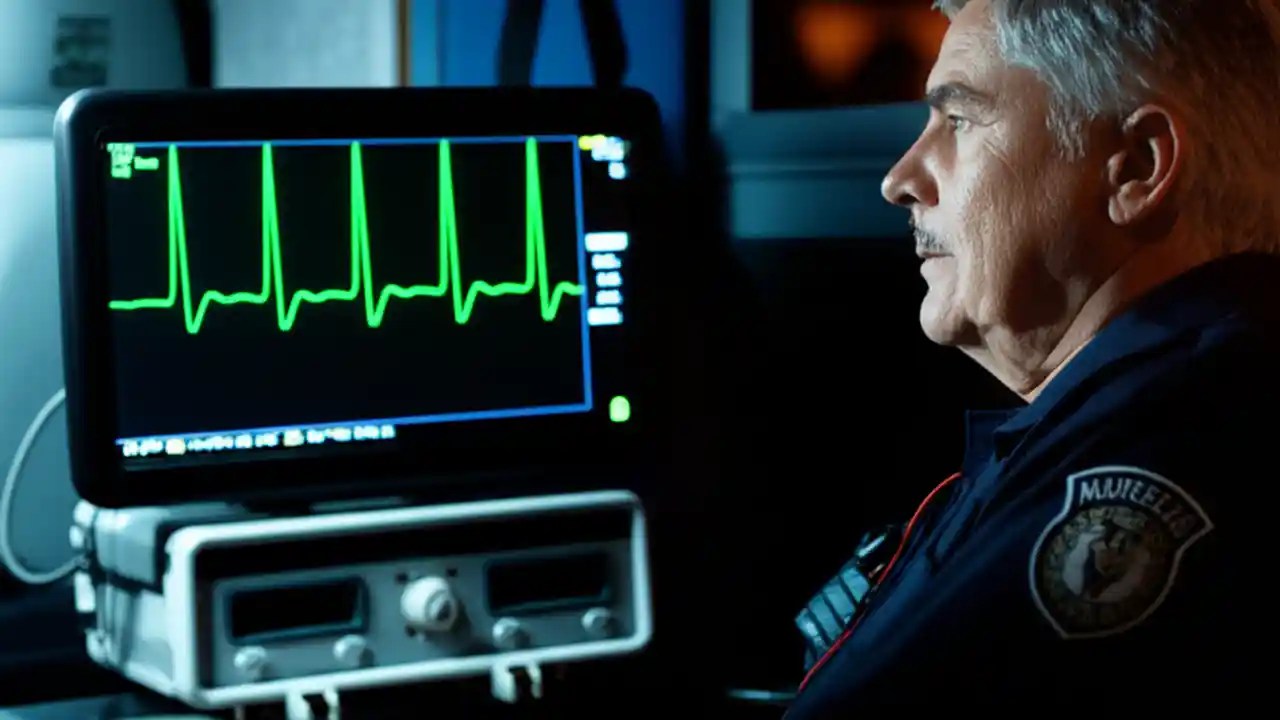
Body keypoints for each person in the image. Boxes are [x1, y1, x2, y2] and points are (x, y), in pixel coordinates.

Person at [784, 0, 1280, 714]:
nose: (901, 178)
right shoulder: (1157, 403)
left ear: (1136, 168)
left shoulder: (1160, 451)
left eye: (957, 121)